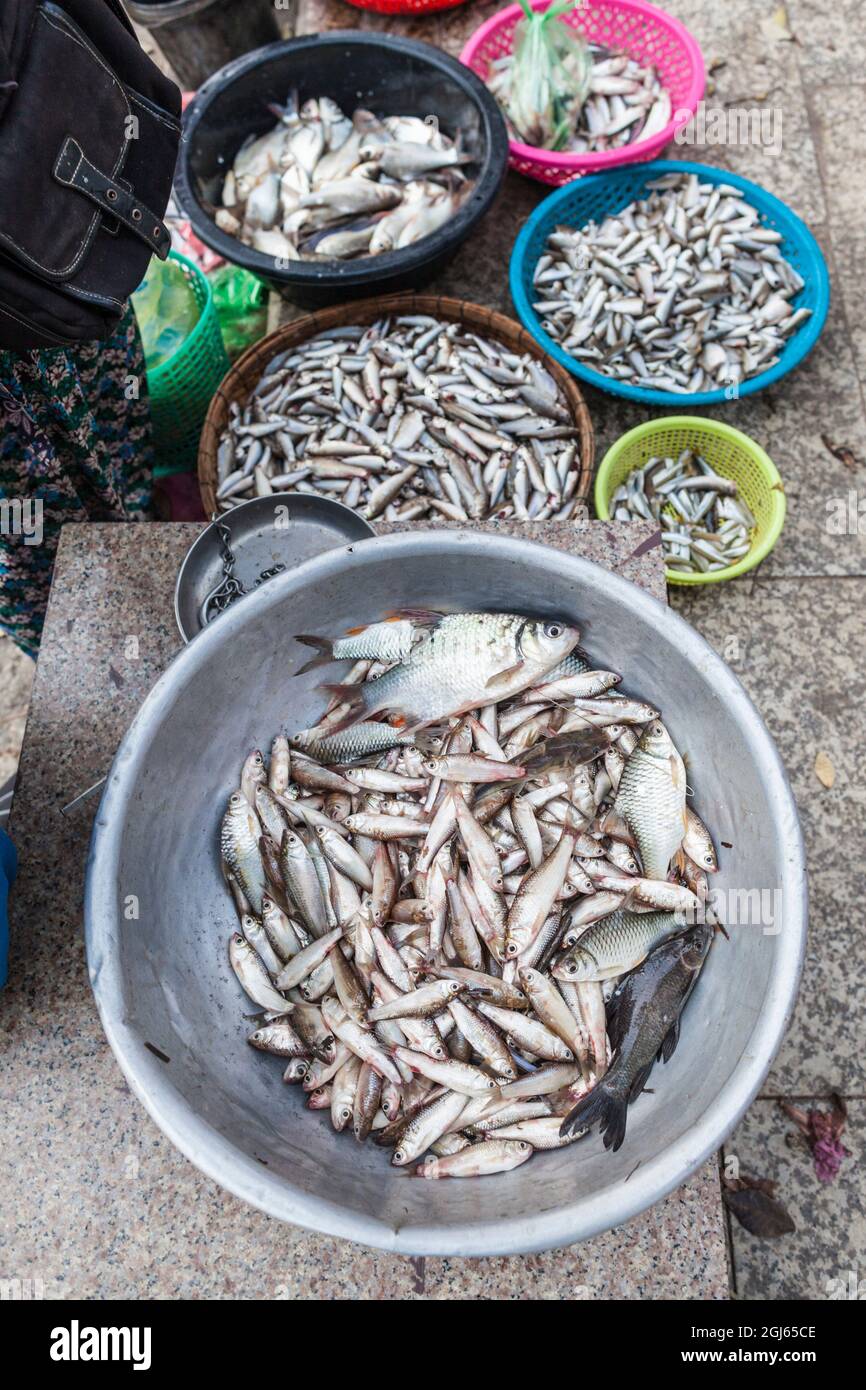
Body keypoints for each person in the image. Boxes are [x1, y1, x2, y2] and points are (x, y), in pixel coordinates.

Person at [0, 304, 154, 656]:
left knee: (113, 441)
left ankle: (134, 541)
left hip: (53, 296)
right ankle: (81, 641)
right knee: (30, 548)